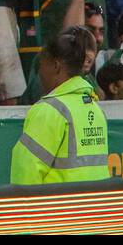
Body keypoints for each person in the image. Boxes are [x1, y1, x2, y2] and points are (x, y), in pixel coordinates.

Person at [10, 28, 109, 186]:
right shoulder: (95, 109)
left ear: (56, 66)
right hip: (94, 207)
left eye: (41, 66)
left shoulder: (48, 110)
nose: (40, 73)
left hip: (58, 208)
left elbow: (27, 171)